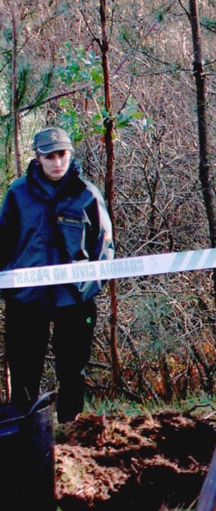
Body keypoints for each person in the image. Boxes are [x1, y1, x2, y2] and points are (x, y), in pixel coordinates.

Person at [0, 127, 114, 423]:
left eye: (62, 154)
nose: (57, 162)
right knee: (24, 371)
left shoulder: (87, 194)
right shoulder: (18, 193)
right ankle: (25, 431)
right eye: (49, 156)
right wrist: (9, 287)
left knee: (72, 370)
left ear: (70, 154)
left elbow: (104, 247)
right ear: (38, 158)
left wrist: (86, 287)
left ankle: (70, 427)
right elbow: (3, 243)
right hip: (26, 299)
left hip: (74, 300)